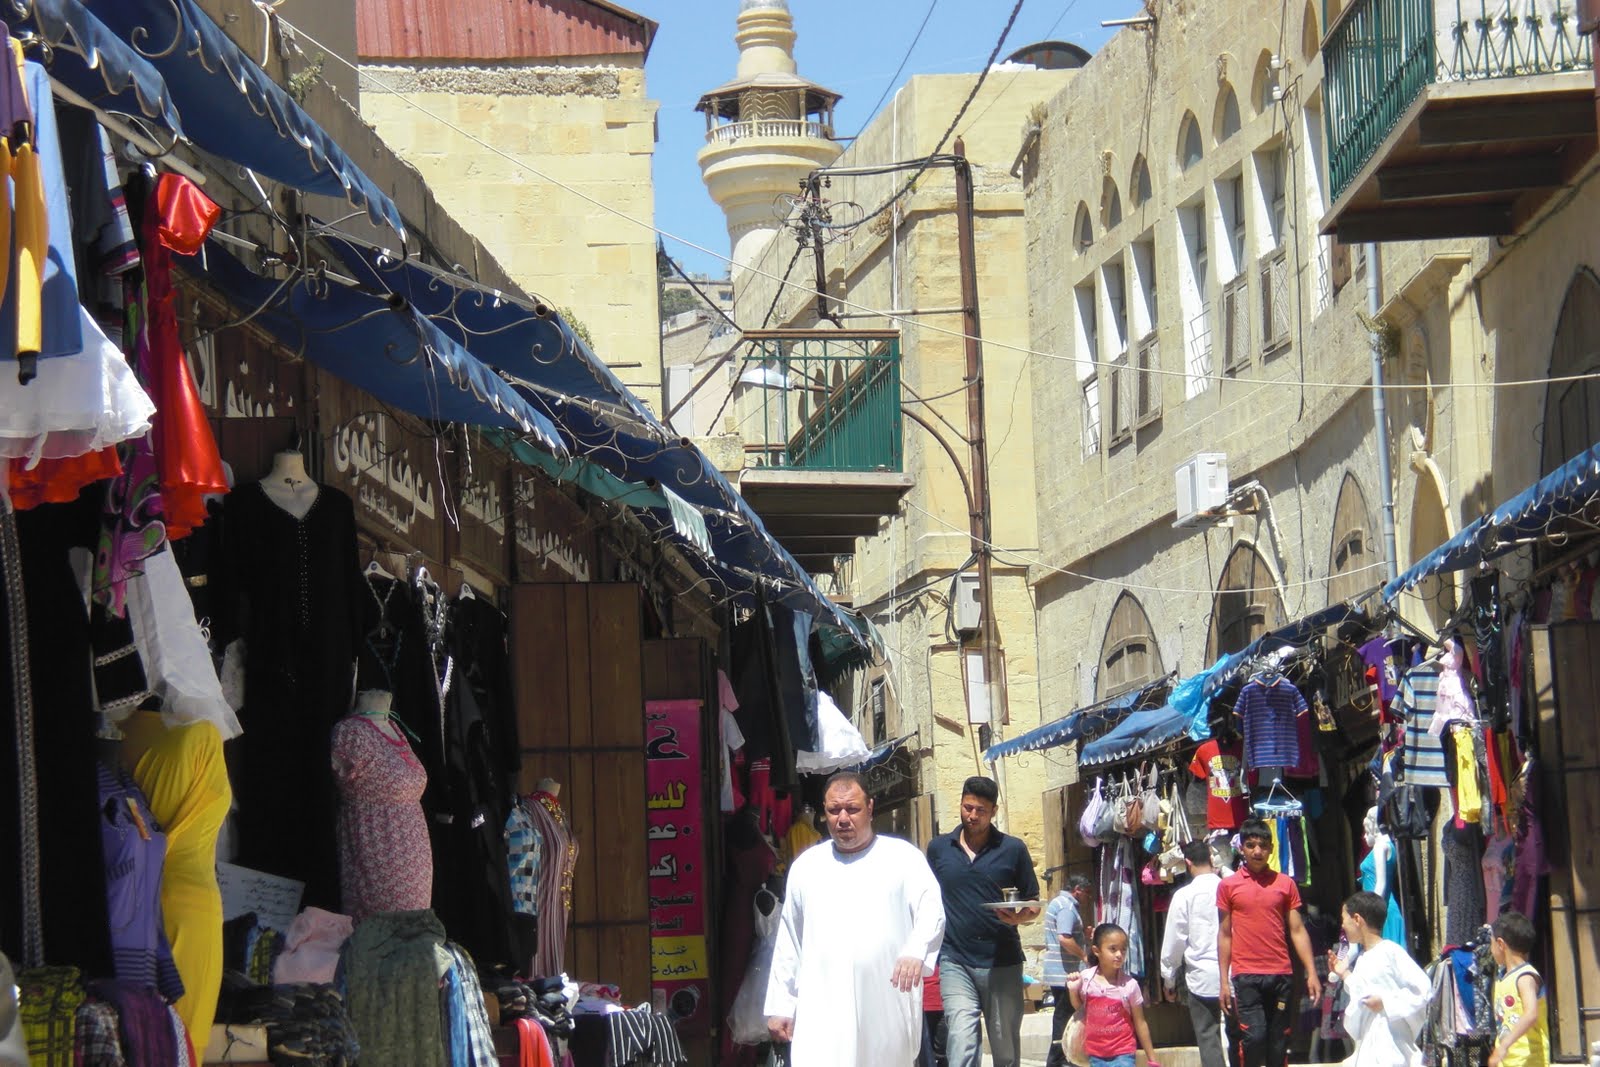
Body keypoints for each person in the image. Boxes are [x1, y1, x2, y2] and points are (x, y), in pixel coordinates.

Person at [765, 770, 946, 1066]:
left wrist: (916, 950)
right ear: (824, 812)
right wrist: (781, 1004)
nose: (843, 818)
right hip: (823, 1007)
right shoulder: (807, 867)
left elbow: (931, 910)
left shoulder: (903, 858)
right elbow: (789, 940)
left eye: (853, 809)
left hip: (885, 1003)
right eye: (834, 810)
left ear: (870, 808)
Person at [926, 776, 1041, 1067]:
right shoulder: (939, 849)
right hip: (955, 959)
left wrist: (1019, 917)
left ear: (994, 811)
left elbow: (1033, 903)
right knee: (961, 1041)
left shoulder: (1013, 849)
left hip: (1001, 961)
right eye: (967, 808)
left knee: (1004, 1051)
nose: (972, 816)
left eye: (981, 810)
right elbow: (925, 898)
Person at [1216, 818, 1321, 1067]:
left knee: (1278, 1041)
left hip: (1281, 975)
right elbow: (1224, 934)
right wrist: (1223, 980)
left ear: (1271, 848)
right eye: (1251, 845)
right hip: (1246, 976)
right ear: (1241, 848)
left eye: (1262, 845)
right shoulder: (1227, 886)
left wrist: (1312, 973)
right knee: (1254, 1037)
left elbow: (1297, 930)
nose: (1257, 851)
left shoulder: (1285, 884)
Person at [1334, 890, 1430, 1067]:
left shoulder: (1391, 952)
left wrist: (1385, 1002)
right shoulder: (1364, 958)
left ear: (1357, 919)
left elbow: (1423, 989)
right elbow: (1362, 992)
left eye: (1344, 920)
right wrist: (1345, 974)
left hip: (1392, 1046)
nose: (1342, 926)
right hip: (1370, 1047)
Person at [1160, 840, 1225, 1067]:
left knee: (1208, 1037)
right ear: (1210, 858)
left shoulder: (1184, 896)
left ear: (1187, 863)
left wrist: (1169, 979)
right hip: (1234, 974)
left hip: (1201, 977)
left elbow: (1174, 940)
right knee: (1237, 1036)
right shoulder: (1229, 887)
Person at [1067, 923, 1161, 1067]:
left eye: (1123, 950)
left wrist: (1152, 1059)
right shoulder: (1086, 980)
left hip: (1123, 1053)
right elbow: (1081, 1010)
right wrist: (1073, 990)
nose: (1119, 954)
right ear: (1096, 951)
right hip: (1095, 1054)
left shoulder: (1130, 985)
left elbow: (1140, 1022)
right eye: (1113, 949)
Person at [1043, 873, 1093, 1067]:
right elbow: (1064, 938)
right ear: (1077, 890)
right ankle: (1058, 1059)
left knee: (1063, 1013)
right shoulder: (1066, 906)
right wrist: (1084, 956)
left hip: (1059, 971)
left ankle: (1061, 1058)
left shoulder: (1060, 903)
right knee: (1064, 1015)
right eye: (1087, 893)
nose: (1088, 897)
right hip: (1064, 972)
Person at [1487, 912, 1548, 1067]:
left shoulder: (1525, 977)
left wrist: (1504, 1046)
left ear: (1500, 944)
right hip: (1509, 1061)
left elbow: (1531, 1013)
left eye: (1491, 943)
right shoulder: (1503, 977)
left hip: (1529, 1061)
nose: (1490, 950)